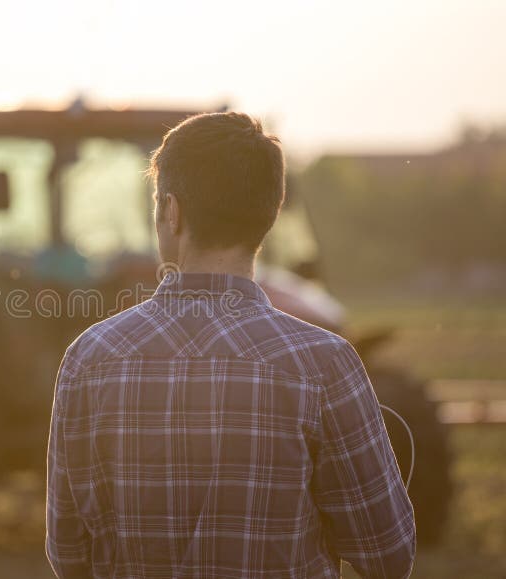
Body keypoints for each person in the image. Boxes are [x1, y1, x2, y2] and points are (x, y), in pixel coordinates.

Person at [46, 112, 416, 578]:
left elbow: (68, 555)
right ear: (269, 214)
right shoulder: (326, 363)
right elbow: (388, 556)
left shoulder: (89, 359)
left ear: (171, 212)